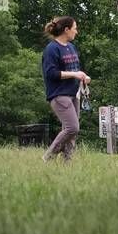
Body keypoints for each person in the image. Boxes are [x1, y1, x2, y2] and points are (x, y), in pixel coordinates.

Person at [41, 16, 90, 163]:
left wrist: (82, 76)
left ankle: (67, 164)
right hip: (59, 95)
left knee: (71, 133)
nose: (77, 31)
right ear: (66, 30)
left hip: (73, 94)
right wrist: (75, 74)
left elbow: (73, 68)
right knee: (72, 127)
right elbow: (51, 73)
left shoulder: (71, 47)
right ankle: (48, 157)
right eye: (75, 28)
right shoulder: (51, 49)